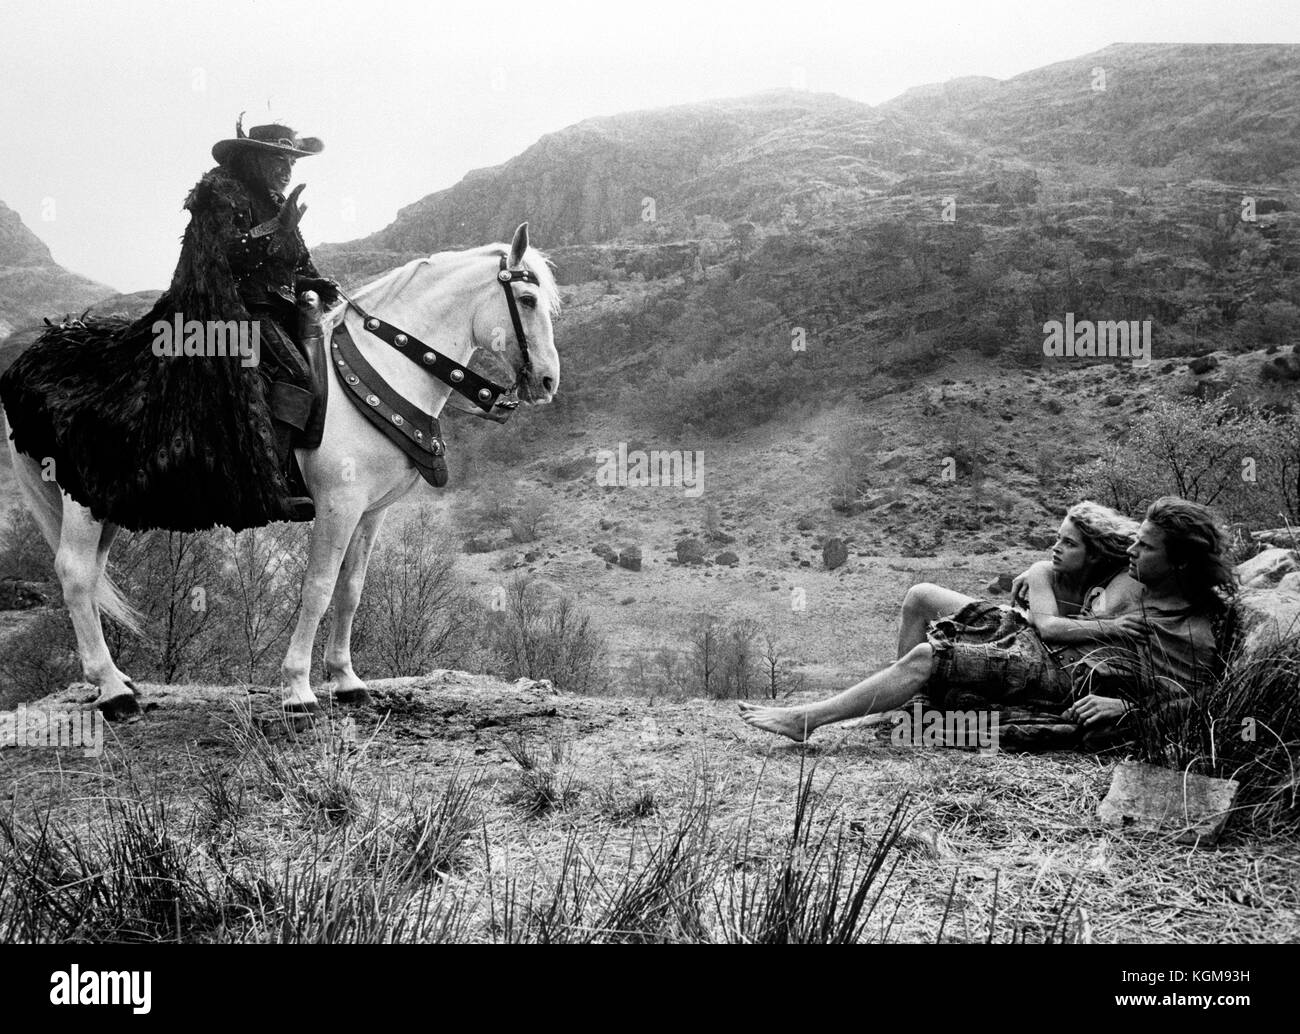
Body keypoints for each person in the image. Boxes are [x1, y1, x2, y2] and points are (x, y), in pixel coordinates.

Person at [1, 116, 338, 531]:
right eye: (277, 160)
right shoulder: (220, 193)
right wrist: (275, 230)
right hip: (230, 314)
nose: (286, 169)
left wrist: (317, 281)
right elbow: (222, 255)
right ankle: (281, 480)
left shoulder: (275, 202)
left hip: (279, 311)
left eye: (291, 162)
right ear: (252, 158)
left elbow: (294, 267)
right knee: (295, 371)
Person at [739, 497, 1231, 743]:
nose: (1132, 548)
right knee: (935, 615)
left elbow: (1198, 703)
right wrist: (1038, 571)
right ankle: (875, 704)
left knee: (932, 656)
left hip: (1064, 677)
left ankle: (808, 720)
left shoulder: (1190, 629)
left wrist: (1124, 712)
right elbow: (1079, 568)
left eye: (1145, 546)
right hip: (1051, 649)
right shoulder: (1139, 579)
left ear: (1181, 563)